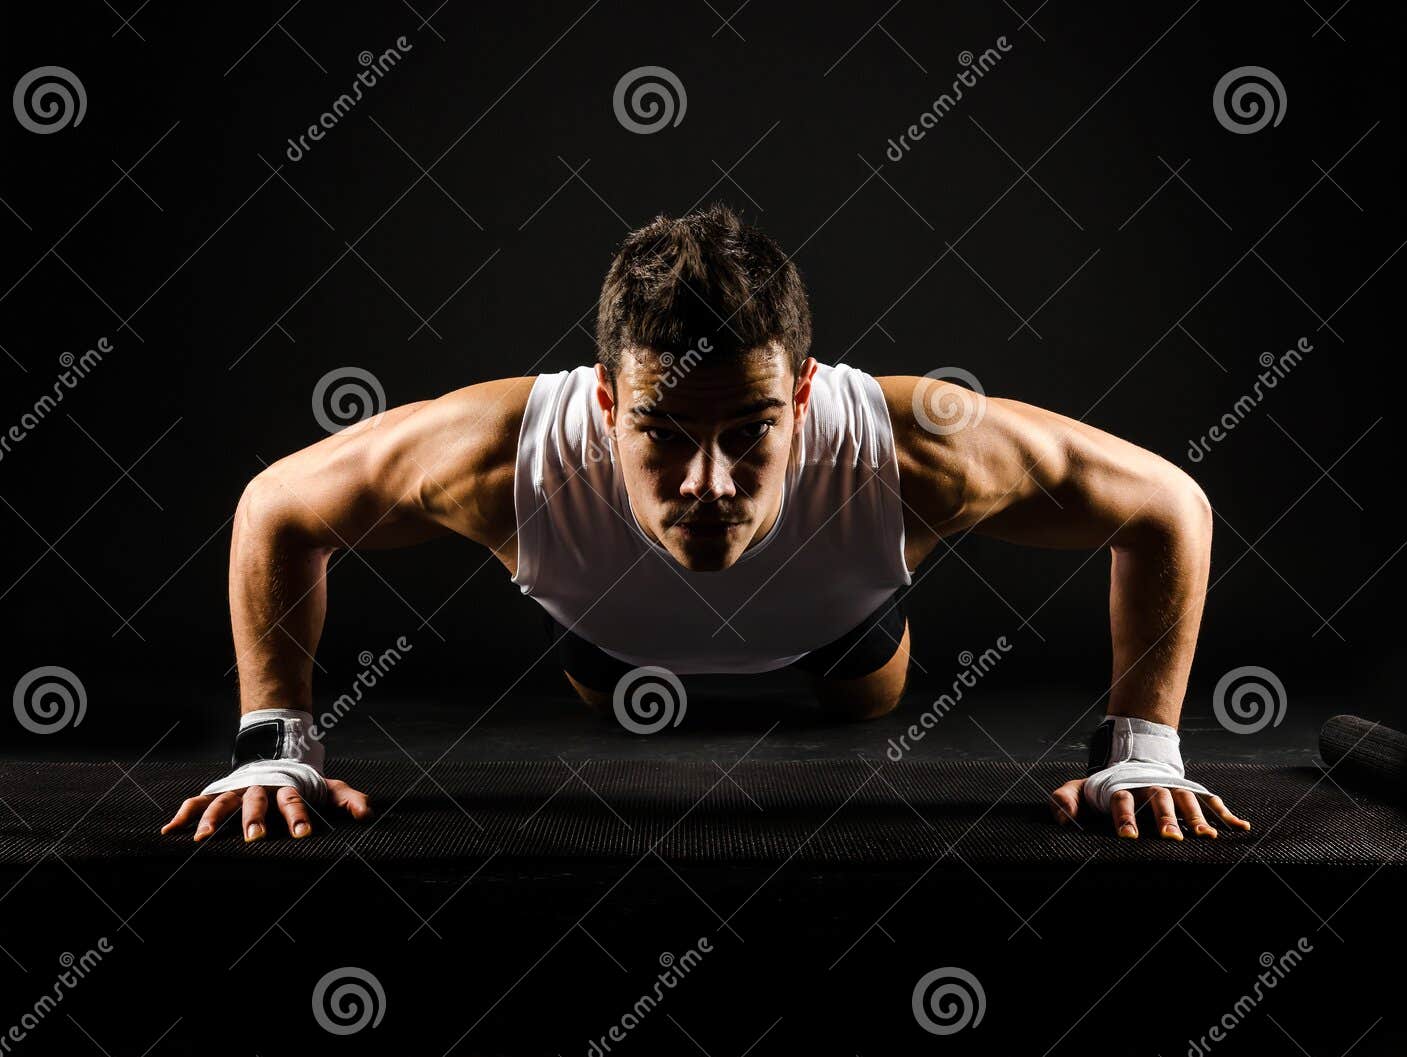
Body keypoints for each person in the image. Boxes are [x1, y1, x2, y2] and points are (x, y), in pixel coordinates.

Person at [161, 204, 1248, 847]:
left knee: (866, 693)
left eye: (752, 431)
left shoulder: (911, 449)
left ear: (805, 397)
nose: (710, 483)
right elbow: (278, 507)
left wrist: (1140, 754)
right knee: (614, 688)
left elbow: (1167, 507)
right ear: (604, 401)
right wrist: (275, 752)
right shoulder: (502, 454)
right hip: (612, 646)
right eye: (663, 433)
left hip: (845, 641)